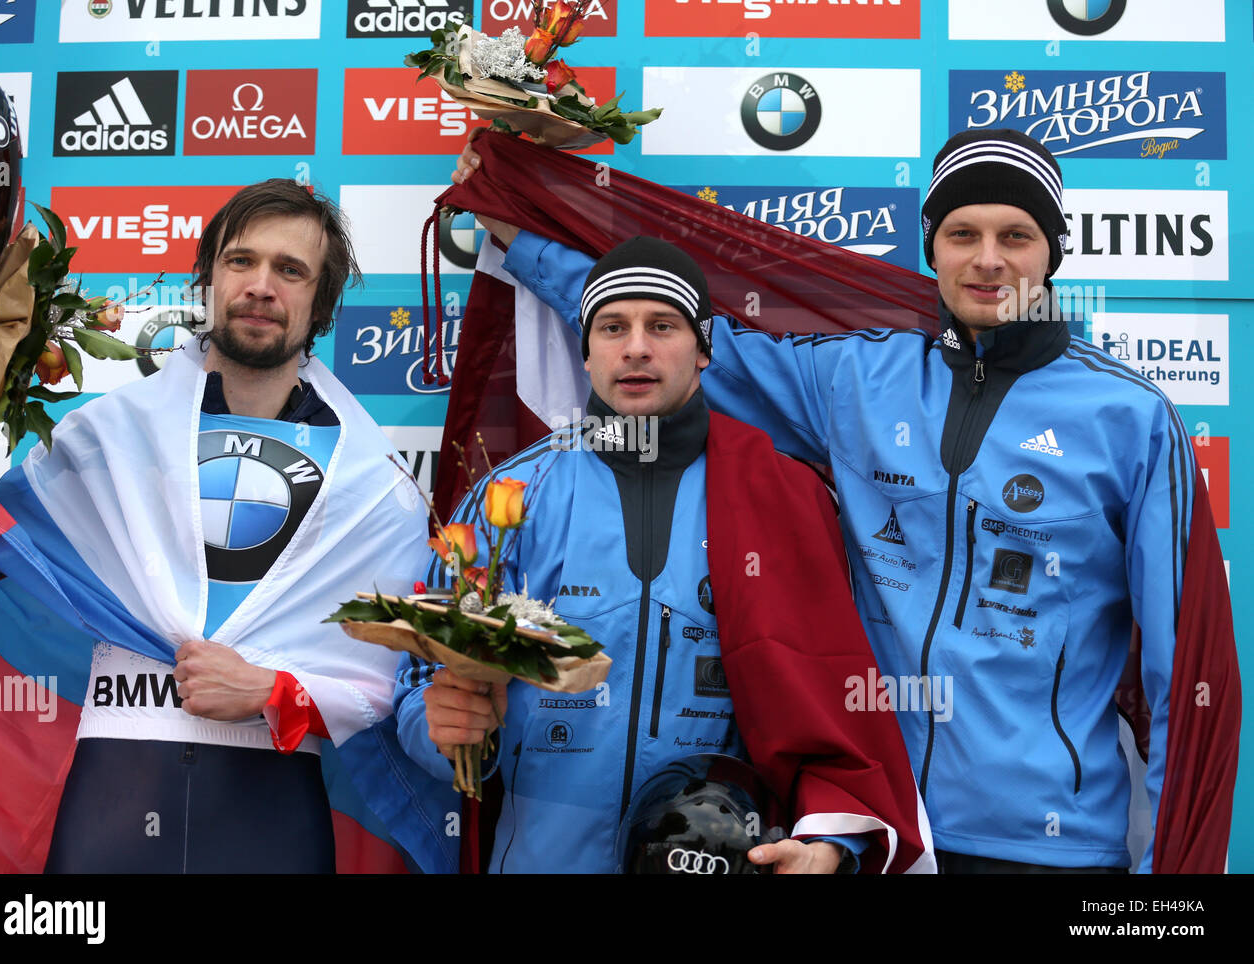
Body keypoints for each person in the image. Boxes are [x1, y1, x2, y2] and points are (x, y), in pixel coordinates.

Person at [451, 128, 1241, 873]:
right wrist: (523, 239)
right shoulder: (859, 381)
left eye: (1017, 236)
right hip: (881, 833)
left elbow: (1189, 673)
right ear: (931, 245)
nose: (989, 261)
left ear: (1056, 251)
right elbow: (688, 348)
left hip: (1054, 846)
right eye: (963, 234)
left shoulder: (1131, 420)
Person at [394, 236, 933, 874]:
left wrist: (830, 842)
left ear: (704, 349)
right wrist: (443, 730)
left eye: (664, 326)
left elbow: (831, 694)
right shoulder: (509, 499)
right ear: (587, 351)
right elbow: (422, 691)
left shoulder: (784, 496)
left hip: (717, 858)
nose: (637, 348)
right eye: (613, 327)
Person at [0, 179, 431, 872]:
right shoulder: (108, 438)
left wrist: (274, 691)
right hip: (114, 795)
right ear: (208, 277)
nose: (261, 286)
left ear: (320, 300)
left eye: (290, 270)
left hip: (272, 813)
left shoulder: (376, 487)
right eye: (241, 261)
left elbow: (397, 680)